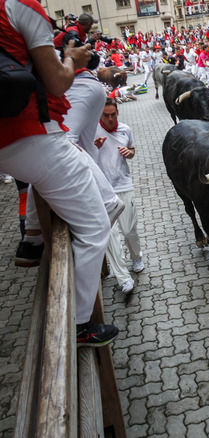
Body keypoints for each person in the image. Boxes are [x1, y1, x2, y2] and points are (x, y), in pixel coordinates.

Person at [0, 0, 117, 346]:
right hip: (31, 135)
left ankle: (33, 239)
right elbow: (56, 83)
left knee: (104, 196)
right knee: (96, 227)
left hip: (17, 143)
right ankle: (78, 326)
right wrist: (73, 60)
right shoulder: (21, 6)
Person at [94, 99, 143, 294]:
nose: (110, 119)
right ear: (99, 115)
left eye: (113, 114)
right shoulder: (91, 132)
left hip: (124, 184)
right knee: (111, 235)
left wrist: (128, 153)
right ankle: (123, 278)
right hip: (102, 190)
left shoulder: (125, 129)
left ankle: (137, 256)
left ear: (118, 112)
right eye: (106, 115)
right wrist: (94, 147)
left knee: (129, 229)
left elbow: (132, 150)